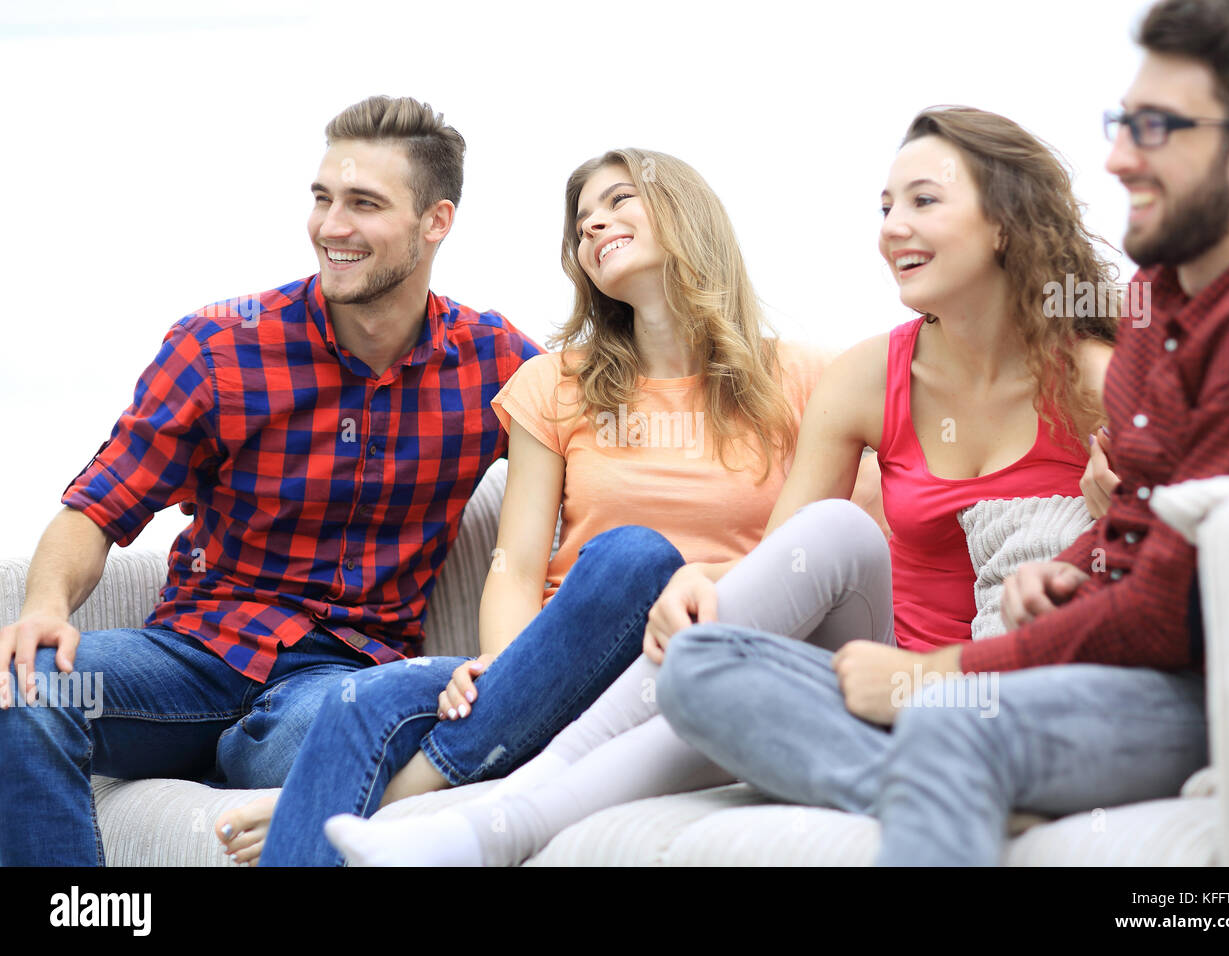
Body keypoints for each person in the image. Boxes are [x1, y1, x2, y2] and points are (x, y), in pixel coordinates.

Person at [323, 105, 1118, 867]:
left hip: (978, 682)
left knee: (723, 646)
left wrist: (1119, 507)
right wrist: (699, 585)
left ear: (1007, 221)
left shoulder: (1099, 381)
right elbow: (792, 556)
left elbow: (1160, 561)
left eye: (922, 201)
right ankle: (473, 810)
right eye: (884, 207)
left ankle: (492, 820)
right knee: (770, 584)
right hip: (857, 668)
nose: (891, 228)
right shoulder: (870, 375)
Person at [660, 0, 1229, 866]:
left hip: (1191, 689)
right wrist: (1071, 572)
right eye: (1121, 124)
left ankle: (948, 768)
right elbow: (1137, 534)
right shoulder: (1158, 301)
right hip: (1079, 665)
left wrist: (947, 673)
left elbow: (1163, 619)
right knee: (703, 668)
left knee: (951, 727)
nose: (1116, 157)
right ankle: (954, 790)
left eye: (1155, 128)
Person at [212, 147, 840, 866]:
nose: (594, 224)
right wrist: (501, 671)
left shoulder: (805, 379)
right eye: (581, 222)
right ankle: (394, 791)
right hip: (568, 661)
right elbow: (514, 568)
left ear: (685, 213)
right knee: (365, 697)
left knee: (635, 558)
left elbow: (823, 554)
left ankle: (385, 801)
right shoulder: (554, 384)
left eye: (618, 201)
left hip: (706, 656)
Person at [0, 95, 542, 866]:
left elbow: (591, 469)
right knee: (24, 686)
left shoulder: (493, 361)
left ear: (436, 222)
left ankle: (257, 764)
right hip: (192, 659)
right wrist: (45, 608)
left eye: (364, 204)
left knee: (373, 718)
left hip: (337, 685)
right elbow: (97, 505)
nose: (331, 227)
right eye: (322, 199)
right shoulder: (221, 345)